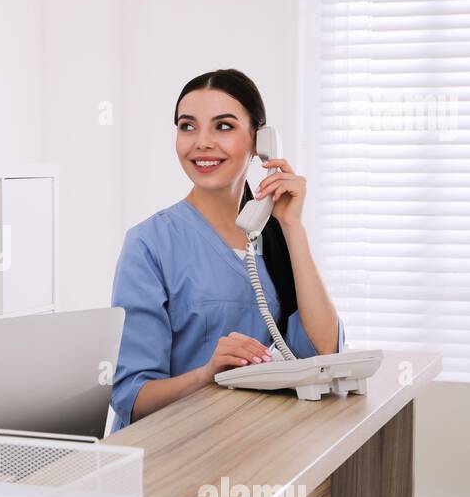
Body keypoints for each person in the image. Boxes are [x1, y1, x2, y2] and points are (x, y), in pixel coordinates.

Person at [110, 68, 344, 430]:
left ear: (259, 141)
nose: (202, 142)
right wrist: (207, 375)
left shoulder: (276, 234)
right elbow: (133, 399)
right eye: (188, 126)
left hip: (258, 440)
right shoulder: (150, 243)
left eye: (223, 126)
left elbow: (325, 352)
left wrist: (292, 226)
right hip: (175, 452)